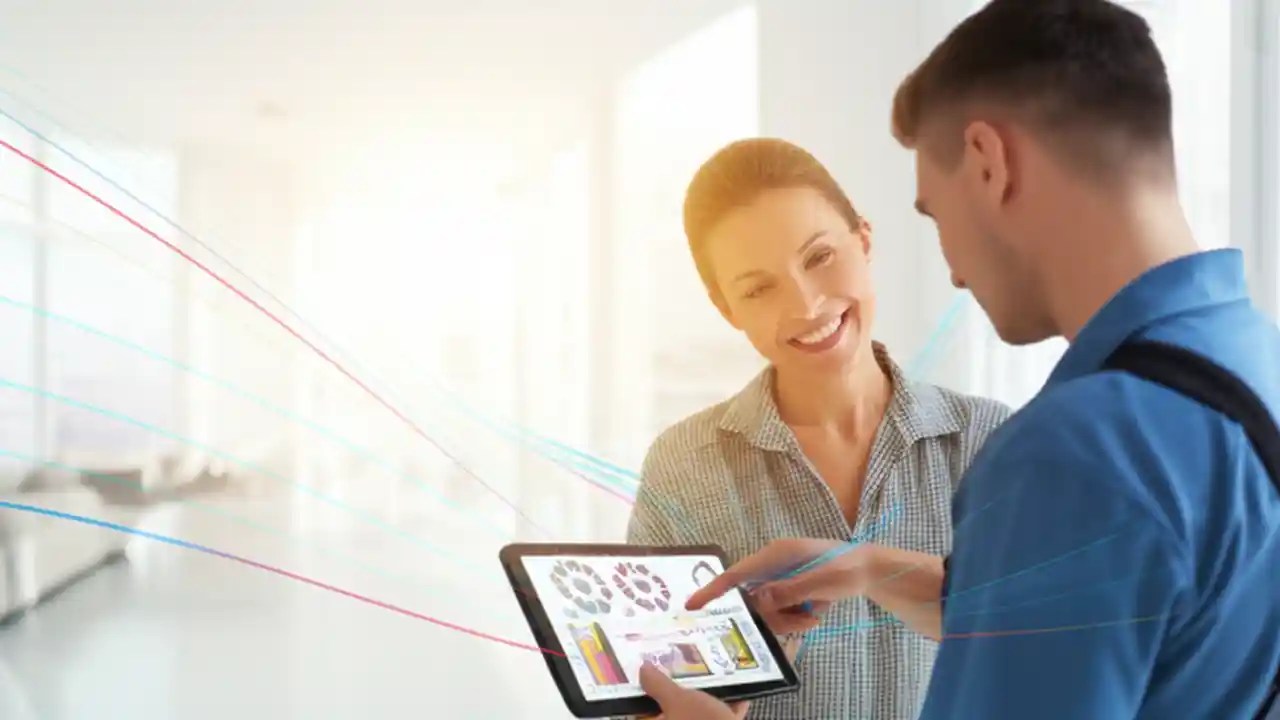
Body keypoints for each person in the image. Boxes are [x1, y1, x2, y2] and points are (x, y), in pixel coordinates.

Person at [638, 1, 1280, 718]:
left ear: (987, 163)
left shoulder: (1070, 452)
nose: (953, 273)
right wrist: (877, 569)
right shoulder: (1255, 366)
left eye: (935, 215)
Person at [625, 137, 1010, 719]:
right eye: (758, 288)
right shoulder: (686, 465)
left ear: (864, 238)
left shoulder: (988, 443)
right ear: (726, 307)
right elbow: (645, 698)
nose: (806, 304)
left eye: (819, 257)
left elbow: (1051, 643)